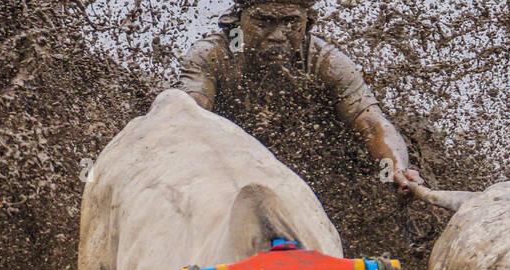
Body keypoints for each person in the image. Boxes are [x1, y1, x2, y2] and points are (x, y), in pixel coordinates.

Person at [176, 0, 424, 197]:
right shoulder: (213, 55)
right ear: (238, 21)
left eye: (290, 22)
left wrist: (395, 168)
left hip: (313, 176)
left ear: (307, 24)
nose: (277, 35)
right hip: (225, 169)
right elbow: (191, 115)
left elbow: (370, 123)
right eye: (263, 21)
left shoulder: (325, 61)